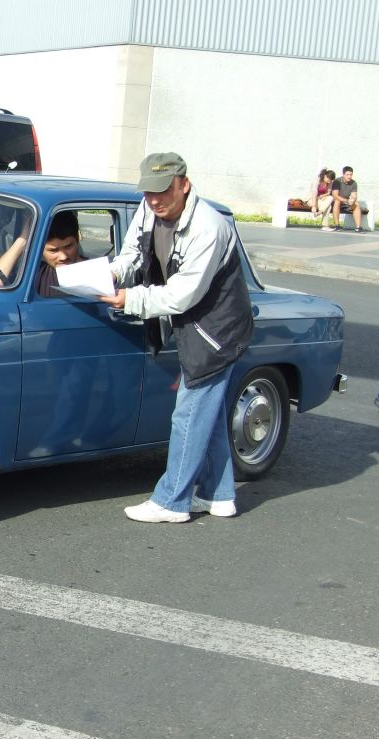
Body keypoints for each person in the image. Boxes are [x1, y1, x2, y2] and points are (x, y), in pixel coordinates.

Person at [99, 152, 254, 523]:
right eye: (149, 192)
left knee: (188, 415)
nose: (155, 200)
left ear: (183, 184)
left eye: (163, 191)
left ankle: (172, 501)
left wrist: (130, 298)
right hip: (193, 323)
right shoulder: (149, 207)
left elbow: (183, 294)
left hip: (217, 329)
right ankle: (219, 496)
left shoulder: (209, 227)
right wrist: (111, 274)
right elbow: (133, 252)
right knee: (208, 414)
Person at [36, 210, 85, 297]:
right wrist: (22, 241)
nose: (63, 257)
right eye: (53, 250)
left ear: (77, 239)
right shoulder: (36, 273)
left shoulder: (95, 273)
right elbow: (3, 282)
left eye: (68, 246)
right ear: (40, 249)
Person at [331, 166, 362, 232]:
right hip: (336, 201)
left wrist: (352, 200)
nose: (349, 176)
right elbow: (335, 195)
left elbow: (354, 195)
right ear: (343, 174)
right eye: (347, 175)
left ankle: (358, 227)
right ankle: (337, 225)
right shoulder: (337, 181)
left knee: (356, 204)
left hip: (346, 202)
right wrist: (346, 200)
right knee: (337, 201)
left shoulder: (354, 183)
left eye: (351, 175)